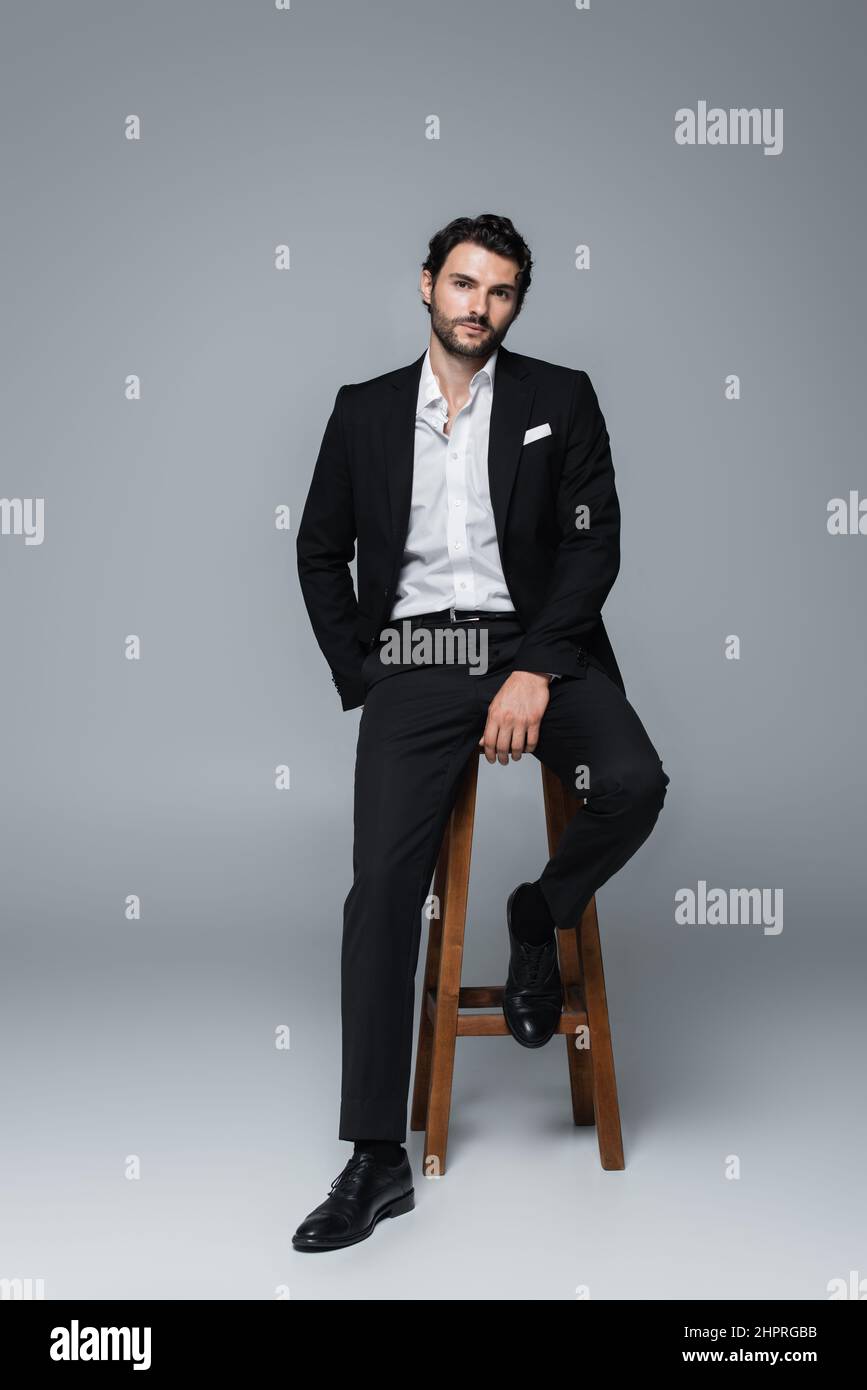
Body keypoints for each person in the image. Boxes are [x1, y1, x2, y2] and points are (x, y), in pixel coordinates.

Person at [292, 212, 670, 1252]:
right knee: (380, 892)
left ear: (516, 303)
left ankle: (539, 909)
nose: (479, 307)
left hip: (541, 636)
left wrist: (539, 667)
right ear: (426, 286)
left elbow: (595, 550)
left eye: (500, 292)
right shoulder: (364, 410)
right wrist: (363, 675)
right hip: (419, 654)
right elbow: (320, 551)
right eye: (463, 285)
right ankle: (375, 1155)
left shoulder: (561, 398)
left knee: (634, 781)